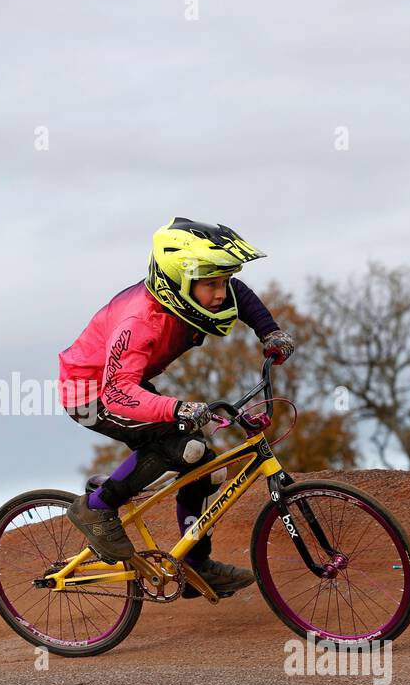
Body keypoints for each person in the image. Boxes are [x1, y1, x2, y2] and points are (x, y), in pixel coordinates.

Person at [57, 217, 294, 598]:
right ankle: (97, 507)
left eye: (223, 281)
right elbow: (118, 393)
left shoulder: (197, 294)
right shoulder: (140, 322)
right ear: (178, 282)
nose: (221, 293)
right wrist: (177, 408)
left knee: (207, 471)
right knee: (183, 447)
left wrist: (269, 331)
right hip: (90, 393)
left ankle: (194, 563)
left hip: (125, 383)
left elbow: (240, 296)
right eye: (212, 284)